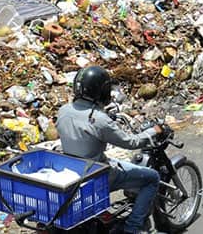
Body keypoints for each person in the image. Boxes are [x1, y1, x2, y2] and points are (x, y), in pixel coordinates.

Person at [56, 66, 161, 234]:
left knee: (118, 162)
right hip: (98, 175)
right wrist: (151, 132)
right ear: (101, 90)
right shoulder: (99, 119)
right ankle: (133, 227)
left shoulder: (63, 110)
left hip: (71, 171)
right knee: (152, 178)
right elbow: (130, 142)